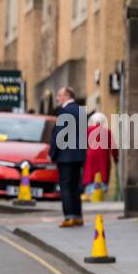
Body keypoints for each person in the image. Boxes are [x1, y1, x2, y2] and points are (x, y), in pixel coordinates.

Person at [50, 86, 87, 227]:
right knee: (75, 186)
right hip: (78, 156)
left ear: (66, 95)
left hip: (65, 156)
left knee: (65, 186)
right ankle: (78, 216)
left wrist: (52, 154)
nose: (57, 98)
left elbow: (59, 135)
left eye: (59, 95)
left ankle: (69, 216)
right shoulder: (81, 111)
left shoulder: (64, 111)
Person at [84, 110, 117, 199]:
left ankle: (90, 191)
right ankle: (101, 192)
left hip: (90, 156)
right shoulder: (107, 132)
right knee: (103, 174)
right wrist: (116, 159)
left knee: (90, 175)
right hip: (104, 156)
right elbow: (113, 148)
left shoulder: (88, 131)